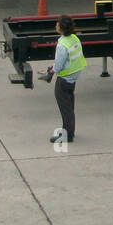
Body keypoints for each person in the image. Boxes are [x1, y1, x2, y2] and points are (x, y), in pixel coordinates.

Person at [45, 15, 86, 143]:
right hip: (73, 77)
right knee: (70, 106)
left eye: (57, 24)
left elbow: (59, 64)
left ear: (61, 28)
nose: (55, 25)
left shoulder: (62, 44)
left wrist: (52, 70)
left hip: (64, 79)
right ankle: (70, 131)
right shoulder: (74, 38)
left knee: (65, 108)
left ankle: (67, 135)